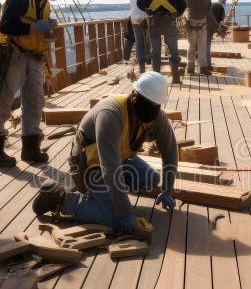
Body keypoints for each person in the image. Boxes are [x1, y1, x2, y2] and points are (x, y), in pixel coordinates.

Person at [32, 72, 178, 232]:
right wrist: (125, 213)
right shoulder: (111, 114)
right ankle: (60, 197)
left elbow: (170, 150)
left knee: (151, 178)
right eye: (147, 103)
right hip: (87, 165)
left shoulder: (156, 117)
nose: (152, 109)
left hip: (116, 160)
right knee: (114, 219)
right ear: (134, 95)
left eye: (155, 105)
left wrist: (167, 190)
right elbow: (110, 168)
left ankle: (105, 196)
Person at [0, 0, 79, 167]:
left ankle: (30, 147)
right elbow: (6, 25)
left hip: (35, 57)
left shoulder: (45, 4)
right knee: (4, 101)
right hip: (15, 55)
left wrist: (49, 25)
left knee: (35, 101)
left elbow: (34, 24)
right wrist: (36, 27)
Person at [137, 0, 187, 84]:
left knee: (155, 50)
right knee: (173, 49)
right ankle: (175, 78)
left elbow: (139, 3)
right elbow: (183, 4)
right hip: (169, 20)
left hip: (153, 21)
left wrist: (148, 10)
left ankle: (156, 80)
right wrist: (177, 13)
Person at [184, 0, 217, 76]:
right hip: (203, 26)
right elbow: (209, 14)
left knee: (191, 47)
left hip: (190, 26)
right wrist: (217, 25)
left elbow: (184, 11)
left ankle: (190, 68)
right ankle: (203, 68)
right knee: (202, 48)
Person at [123, 0, 150, 72]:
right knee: (146, 41)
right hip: (144, 19)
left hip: (134, 19)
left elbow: (132, 8)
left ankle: (141, 65)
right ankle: (148, 59)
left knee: (138, 42)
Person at [207, 0, 226, 70]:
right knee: (207, 45)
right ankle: (208, 65)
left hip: (205, 25)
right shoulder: (221, 7)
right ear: (223, 1)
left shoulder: (211, 4)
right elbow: (222, 18)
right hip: (212, 26)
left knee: (205, 44)